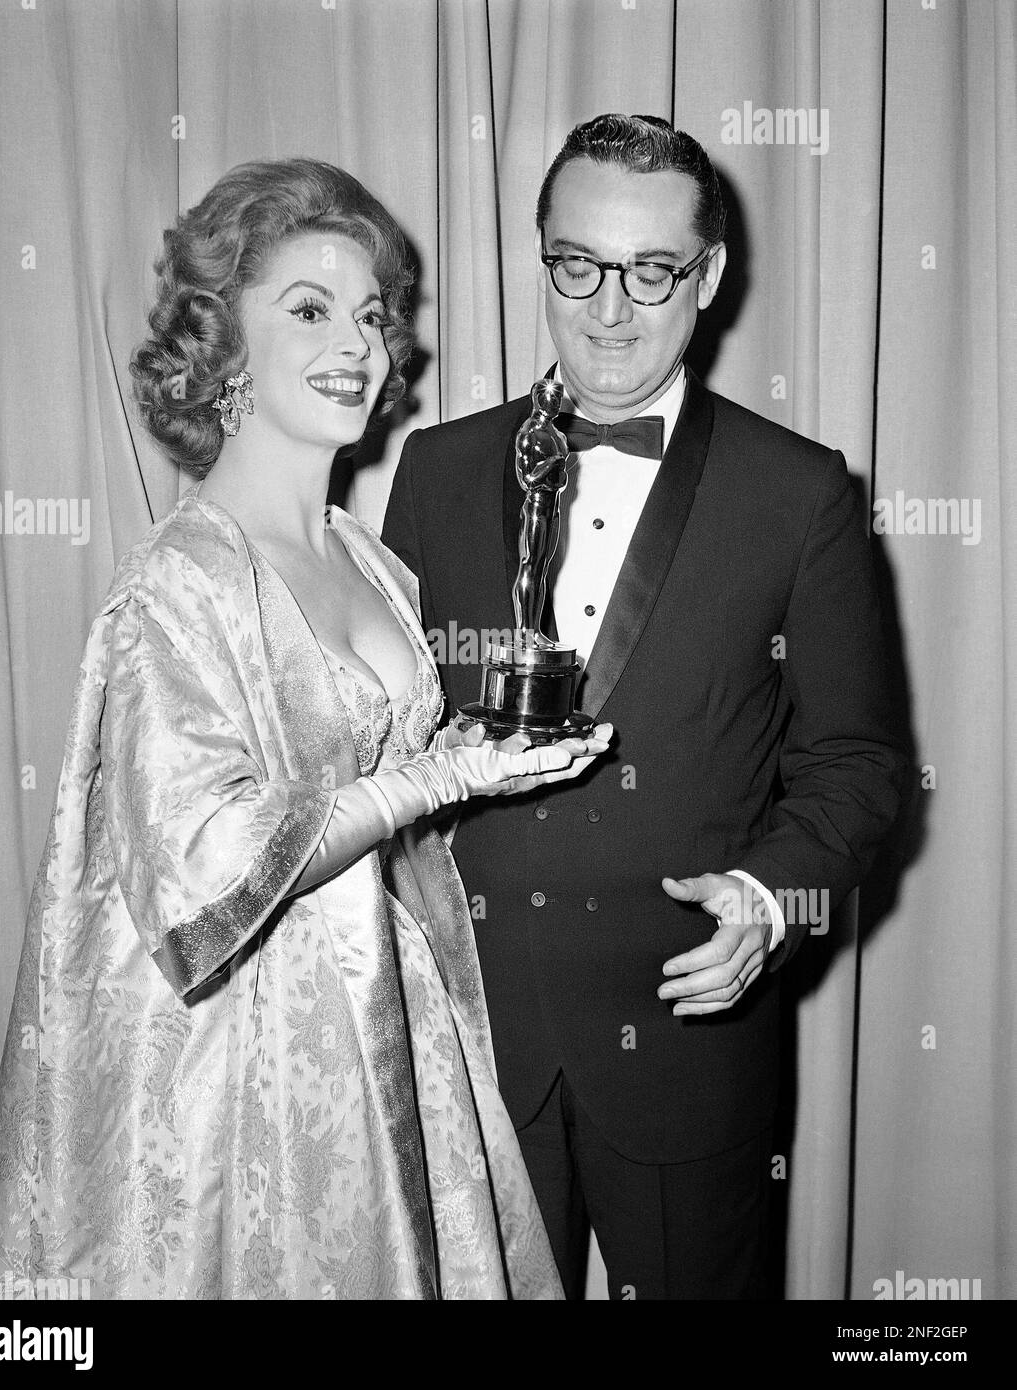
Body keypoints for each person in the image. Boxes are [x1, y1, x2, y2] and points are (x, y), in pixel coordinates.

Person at [0, 157, 610, 1301]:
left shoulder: (368, 558)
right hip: (243, 1065)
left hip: (395, 1027)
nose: (357, 342)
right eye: (307, 310)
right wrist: (434, 782)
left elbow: (373, 757)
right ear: (221, 349)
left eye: (369, 314)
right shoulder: (176, 585)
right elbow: (202, 865)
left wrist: (486, 759)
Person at [382, 114, 906, 1300]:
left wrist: (774, 896)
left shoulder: (801, 493)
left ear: (707, 276)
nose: (608, 309)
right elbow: (385, 741)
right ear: (542, 258)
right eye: (578, 265)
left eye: (651, 271)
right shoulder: (435, 470)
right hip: (469, 1047)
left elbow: (858, 765)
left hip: (688, 1047)